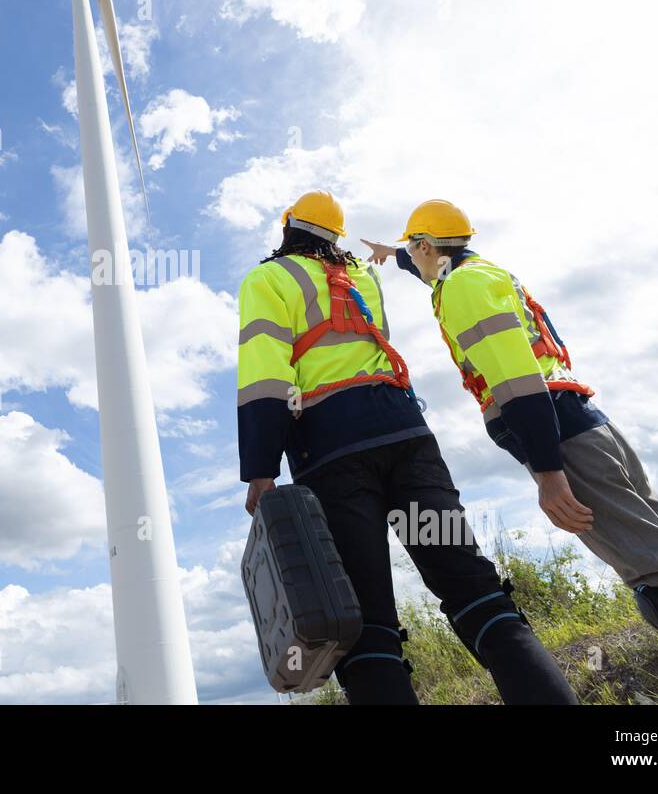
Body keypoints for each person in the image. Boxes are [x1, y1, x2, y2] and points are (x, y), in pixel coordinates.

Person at [363, 199, 658, 704]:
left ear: (427, 246)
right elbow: (429, 268)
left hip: (564, 442)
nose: (412, 261)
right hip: (588, 425)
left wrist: (548, 473)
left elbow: (517, 382)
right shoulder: (478, 273)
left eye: (413, 250)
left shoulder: (460, 287)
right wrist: (390, 254)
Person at [238, 190, 577, 705]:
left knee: (368, 623)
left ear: (288, 228)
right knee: (472, 588)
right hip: (405, 438)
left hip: (332, 453)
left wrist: (261, 470)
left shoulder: (268, 278)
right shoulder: (363, 277)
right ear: (333, 236)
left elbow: (266, 378)